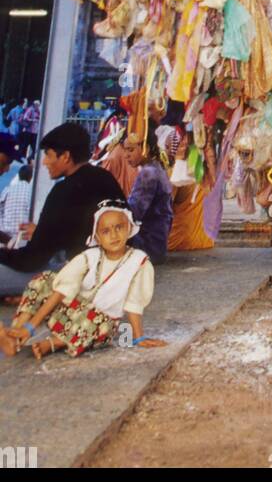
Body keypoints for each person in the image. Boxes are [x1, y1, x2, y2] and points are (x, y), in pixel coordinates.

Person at [0, 200, 166, 360]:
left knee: (105, 326)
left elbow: (133, 302)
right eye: (106, 231)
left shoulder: (139, 261)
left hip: (96, 323)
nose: (114, 235)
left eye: (119, 227)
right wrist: (30, 327)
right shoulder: (89, 256)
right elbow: (61, 291)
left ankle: (52, 344)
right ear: (97, 237)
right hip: (68, 313)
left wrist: (138, 337)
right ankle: (16, 334)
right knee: (45, 279)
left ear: (129, 228)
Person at [0, 122, 123, 298]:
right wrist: (42, 232)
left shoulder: (63, 191)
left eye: (48, 155)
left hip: (82, 278)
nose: (44, 162)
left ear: (65, 156)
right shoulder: (105, 178)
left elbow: (30, 261)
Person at [127, 128, 174, 264]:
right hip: (158, 242)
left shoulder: (148, 173)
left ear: (145, 148)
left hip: (147, 245)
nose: (126, 155)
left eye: (130, 150)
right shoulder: (156, 167)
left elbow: (134, 212)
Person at [0, 162, 33, 247]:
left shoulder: (7, 190)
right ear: (30, 178)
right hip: (21, 238)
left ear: (19, 175)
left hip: (4, 237)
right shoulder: (31, 192)